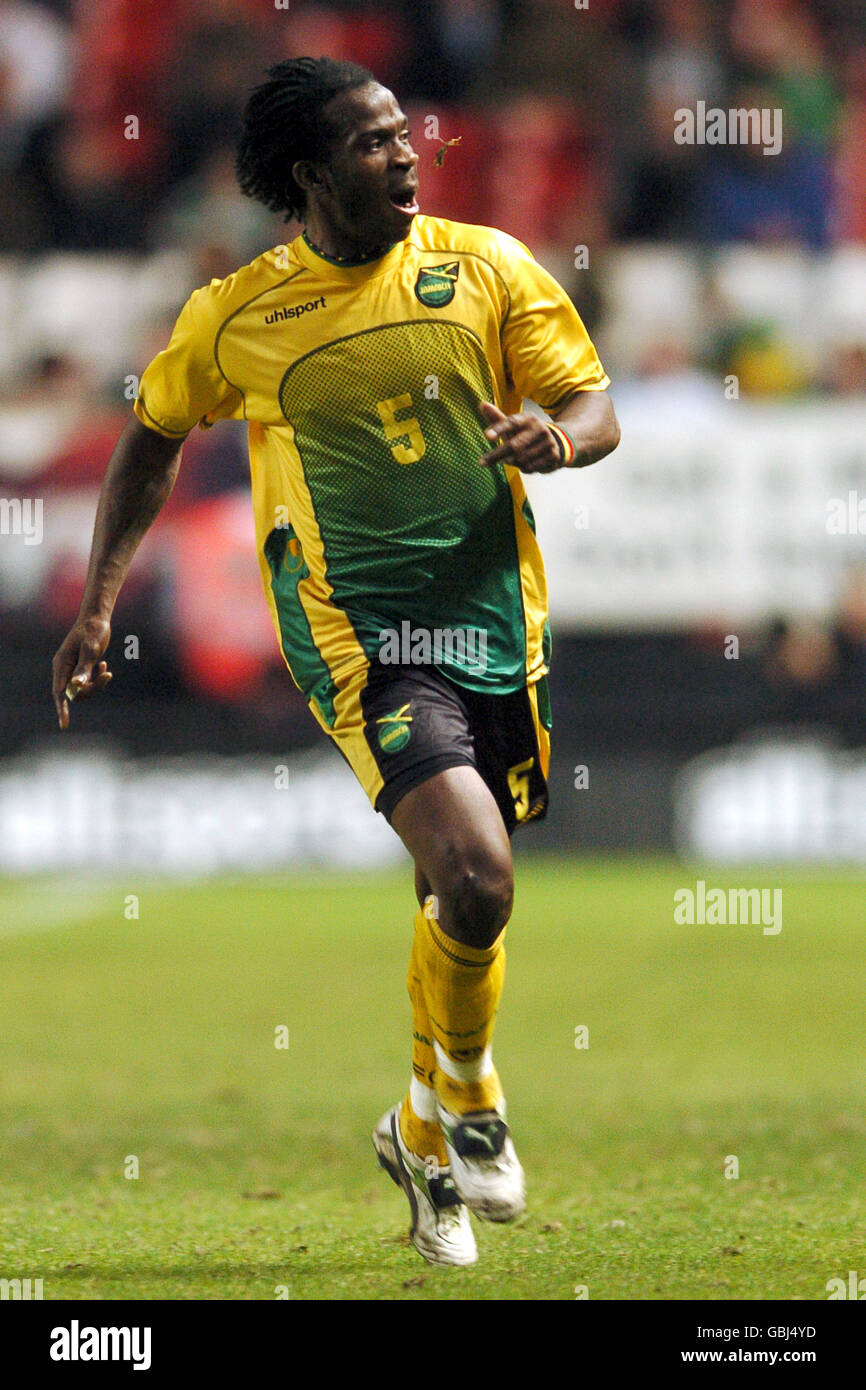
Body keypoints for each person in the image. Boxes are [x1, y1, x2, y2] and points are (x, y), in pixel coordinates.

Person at [51, 57, 620, 1268]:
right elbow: (149, 439)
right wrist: (101, 603)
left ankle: (416, 1133)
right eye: (370, 144)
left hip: (492, 623)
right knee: (476, 875)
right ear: (309, 176)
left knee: (452, 893)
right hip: (357, 631)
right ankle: (469, 1103)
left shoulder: (486, 266)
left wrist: (556, 443)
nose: (406, 152)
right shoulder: (239, 316)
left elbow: (592, 406)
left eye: (402, 132)